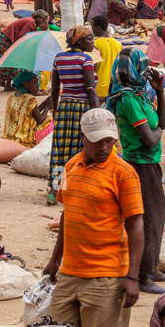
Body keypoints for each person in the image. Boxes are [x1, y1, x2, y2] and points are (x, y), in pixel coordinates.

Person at [42, 108, 144, 327]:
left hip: (107, 278)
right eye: (98, 140)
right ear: (83, 137)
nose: (104, 146)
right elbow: (67, 215)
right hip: (70, 273)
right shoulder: (72, 166)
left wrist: (133, 277)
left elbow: (136, 226)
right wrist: (55, 260)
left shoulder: (124, 173)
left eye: (109, 140)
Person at [109, 48, 165, 296]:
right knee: (147, 219)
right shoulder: (129, 100)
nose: (145, 73)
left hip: (149, 162)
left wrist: (161, 92)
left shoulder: (140, 94)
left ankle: (151, 266)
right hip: (140, 164)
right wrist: (158, 135)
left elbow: (160, 124)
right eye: (142, 68)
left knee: (157, 215)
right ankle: (142, 274)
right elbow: (150, 138)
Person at [46, 25, 100, 202]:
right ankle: (76, 190)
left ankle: (55, 191)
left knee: (59, 150)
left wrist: (55, 111)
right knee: (80, 149)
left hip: (64, 107)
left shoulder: (59, 58)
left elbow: (55, 89)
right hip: (82, 109)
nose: (92, 42)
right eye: (90, 39)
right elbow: (91, 90)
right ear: (80, 41)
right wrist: (98, 113)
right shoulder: (85, 60)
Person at [3, 70, 52, 148]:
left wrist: (44, 103)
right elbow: (39, 120)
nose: (37, 86)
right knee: (50, 120)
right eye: (35, 83)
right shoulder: (30, 99)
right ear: (24, 83)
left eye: (38, 83)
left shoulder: (12, 96)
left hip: (9, 135)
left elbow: (30, 113)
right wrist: (47, 107)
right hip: (23, 138)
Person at [90, 16, 122, 100]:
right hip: (114, 87)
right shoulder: (118, 44)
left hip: (99, 88)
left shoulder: (95, 45)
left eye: (92, 26)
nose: (92, 29)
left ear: (98, 27)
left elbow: (93, 67)